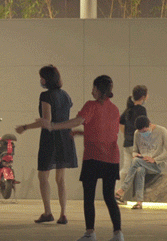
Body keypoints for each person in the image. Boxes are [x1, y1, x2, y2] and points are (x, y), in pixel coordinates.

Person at [38, 75, 123, 241]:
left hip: (93, 158)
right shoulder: (114, 109)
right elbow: (107, 133)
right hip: (112, 158)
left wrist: (54, 126)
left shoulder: (91, 105)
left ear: (98, 90)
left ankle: (90, 233)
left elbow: (77, 121)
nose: (92, 91)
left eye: (93, 88)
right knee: (109, 197)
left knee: (89, 197)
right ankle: (118, 233)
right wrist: (83, 133)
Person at [15, 65, 77, 225]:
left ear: (46, 79)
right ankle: (63, 214)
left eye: (41, 77)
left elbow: (46, 121)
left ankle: (48, 212)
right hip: (65, 137)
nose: (40, 80)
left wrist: (25, 127)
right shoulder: (65, 95)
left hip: (50, 139)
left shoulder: (46, 96)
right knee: (61, 179)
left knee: (43, 176)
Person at [114, 116, 167, 209]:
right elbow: (134, 151)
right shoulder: (137, 133)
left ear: (149, 125)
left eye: (145, 131)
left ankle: (122, 189)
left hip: (157, 165)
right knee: (139, 170)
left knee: (136, 161)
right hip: (142, 162)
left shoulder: (162, 131)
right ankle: (139, 202)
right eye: (141, 132)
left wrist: (155, 159)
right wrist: (136, 154)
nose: (143, 134)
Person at [118, 86, 148, 188]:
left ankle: (118, 191)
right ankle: (139, 193)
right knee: (141, 169)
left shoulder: (128, 109)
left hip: (127, 144)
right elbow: (144, 127)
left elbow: (120, 122)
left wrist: (126, 134)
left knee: (125, 169)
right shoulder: (142, 110)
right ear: (143, 97)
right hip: (138, 145)